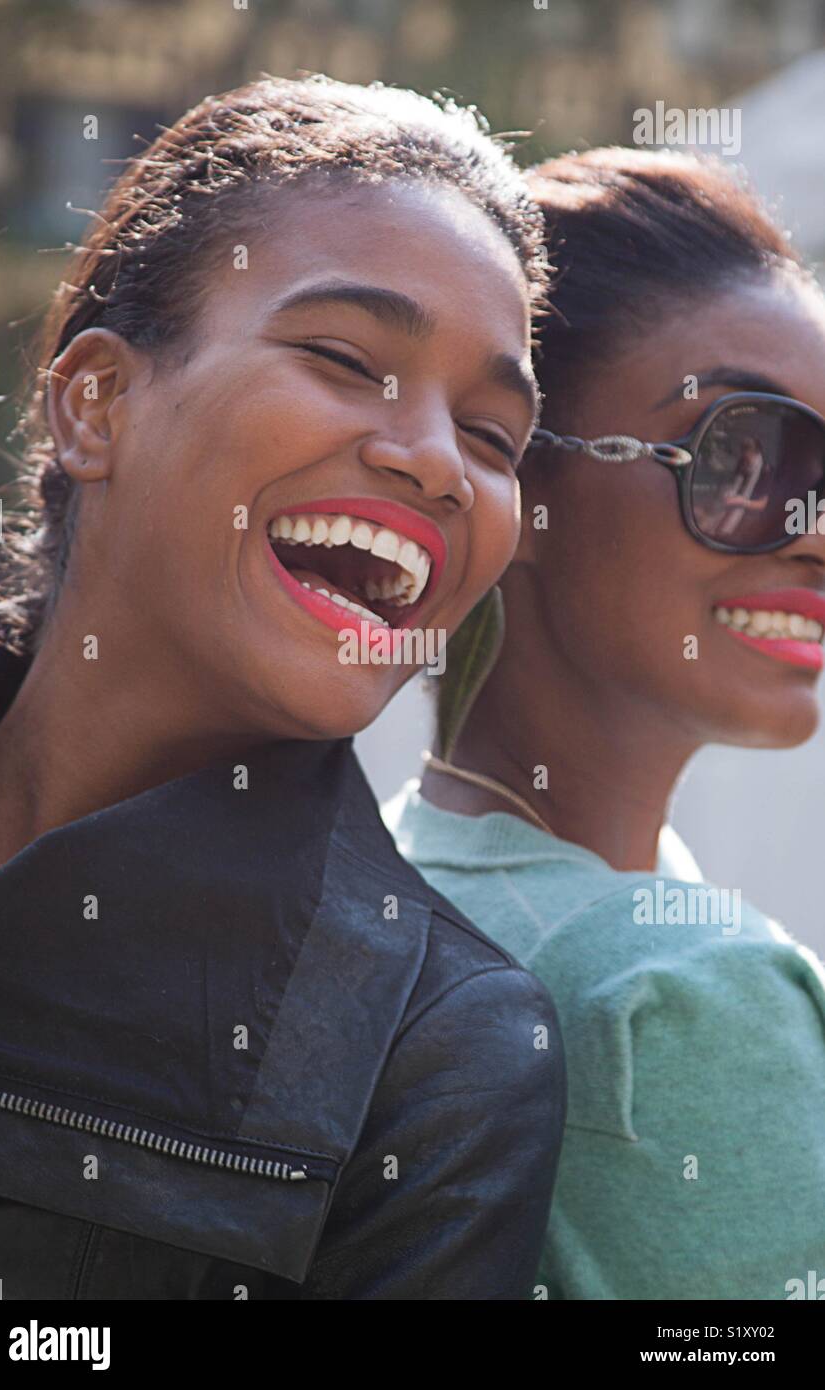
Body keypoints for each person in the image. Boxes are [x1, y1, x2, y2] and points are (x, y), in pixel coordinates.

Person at [0, 76, 566, 1300]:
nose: (440, 463)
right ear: (96, 404)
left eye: (495, 437)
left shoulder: (438, 1055)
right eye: (346, 358)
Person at [385, 147, 825, 1300]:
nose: (811, 529)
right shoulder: (673, 996)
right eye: (743, 453)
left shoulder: (380, 871)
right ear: (515, 478)